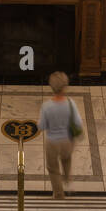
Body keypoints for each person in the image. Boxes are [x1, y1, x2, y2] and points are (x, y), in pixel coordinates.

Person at [38, 70, 83, 199]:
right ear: (65, 86)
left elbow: (42, 126)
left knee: (53, 168)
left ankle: (58, 193)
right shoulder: (71, 104)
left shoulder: (46, 106)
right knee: (66, 158)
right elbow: (78, 122)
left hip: (52, 142)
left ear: (51, 87)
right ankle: (67, 179)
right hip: (68, 140)